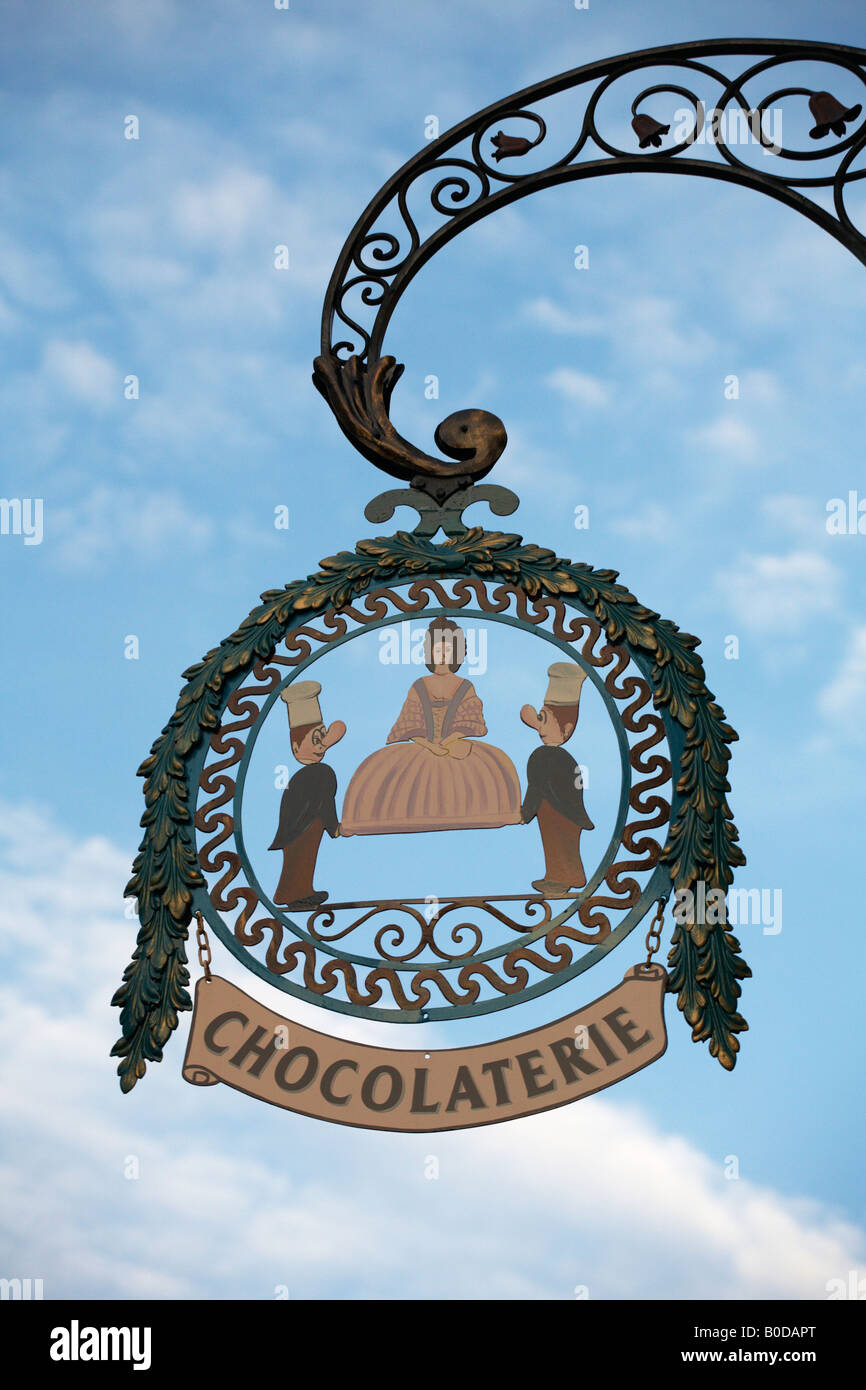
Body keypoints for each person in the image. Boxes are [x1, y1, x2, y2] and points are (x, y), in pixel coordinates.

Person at [340, 617, 521, 835]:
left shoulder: (465, 686)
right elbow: (410, 721)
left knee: (484, 782)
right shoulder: (419, 685)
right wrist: (429, 745)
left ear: (457, 653)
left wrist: (447, 741)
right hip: (422, 748)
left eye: (447, 650)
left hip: (454, 746)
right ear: (429, 652)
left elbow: (469, 721)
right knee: (389, 785)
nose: (442, 655)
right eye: (437, 650)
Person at [269, 680, 346, 909]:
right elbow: (325, 804)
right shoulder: (319, 773)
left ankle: (300, 891)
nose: (321, 745)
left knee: (305, 861)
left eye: (321, 737)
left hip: (305, 827)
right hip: (302, 828)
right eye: (314, 740)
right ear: (295, 747)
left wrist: (327, 739)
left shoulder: (311, 774)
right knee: (301, 860)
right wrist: (334, 828)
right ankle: (291, 894)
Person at [520, 662, 594, 897]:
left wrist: (526, 813)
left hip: (558, 811)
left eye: (545, 720)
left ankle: (563, 877)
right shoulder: (559, 757)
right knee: (557, 846)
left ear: (567, 728)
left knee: (558, 846)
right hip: (559, 810)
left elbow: (536, 787)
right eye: (541, 719)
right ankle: (561, 876)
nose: (540, 728)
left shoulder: (545, 756)